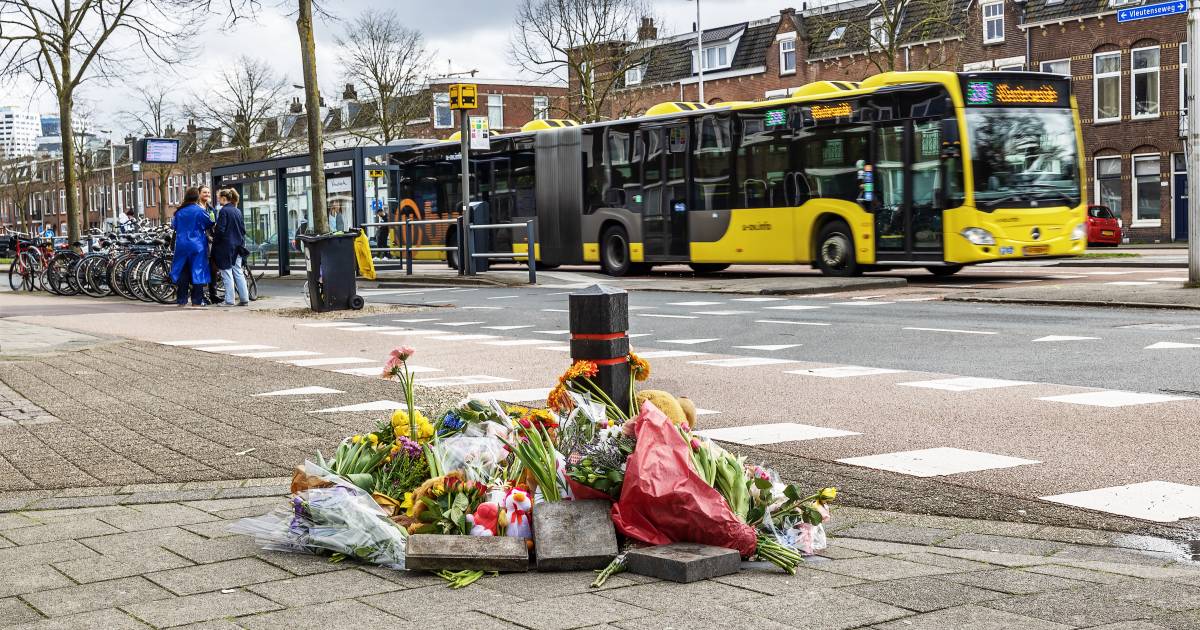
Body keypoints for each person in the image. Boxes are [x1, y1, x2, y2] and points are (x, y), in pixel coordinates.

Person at [170, 187, 214, 307]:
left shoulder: (179, 212)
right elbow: (209, 223)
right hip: (197, 245)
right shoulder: (199, 211)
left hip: (181, 245)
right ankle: (196, 301)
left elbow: (174, 226)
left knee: (183, 273)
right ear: (197, 197)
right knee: (198, 271)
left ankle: (181, 301)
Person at [212, 188, 249, 307]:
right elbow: (243, 230)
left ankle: (229, 300)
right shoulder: (237, 211)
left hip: (225, 247)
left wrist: (215, 240)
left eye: (219, 198)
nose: (218, 200)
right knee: (238, 271)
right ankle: (244, 298)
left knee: (226, 272)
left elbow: (220, 230)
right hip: (238, 246)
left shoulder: (224, 211)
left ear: (224, 198)